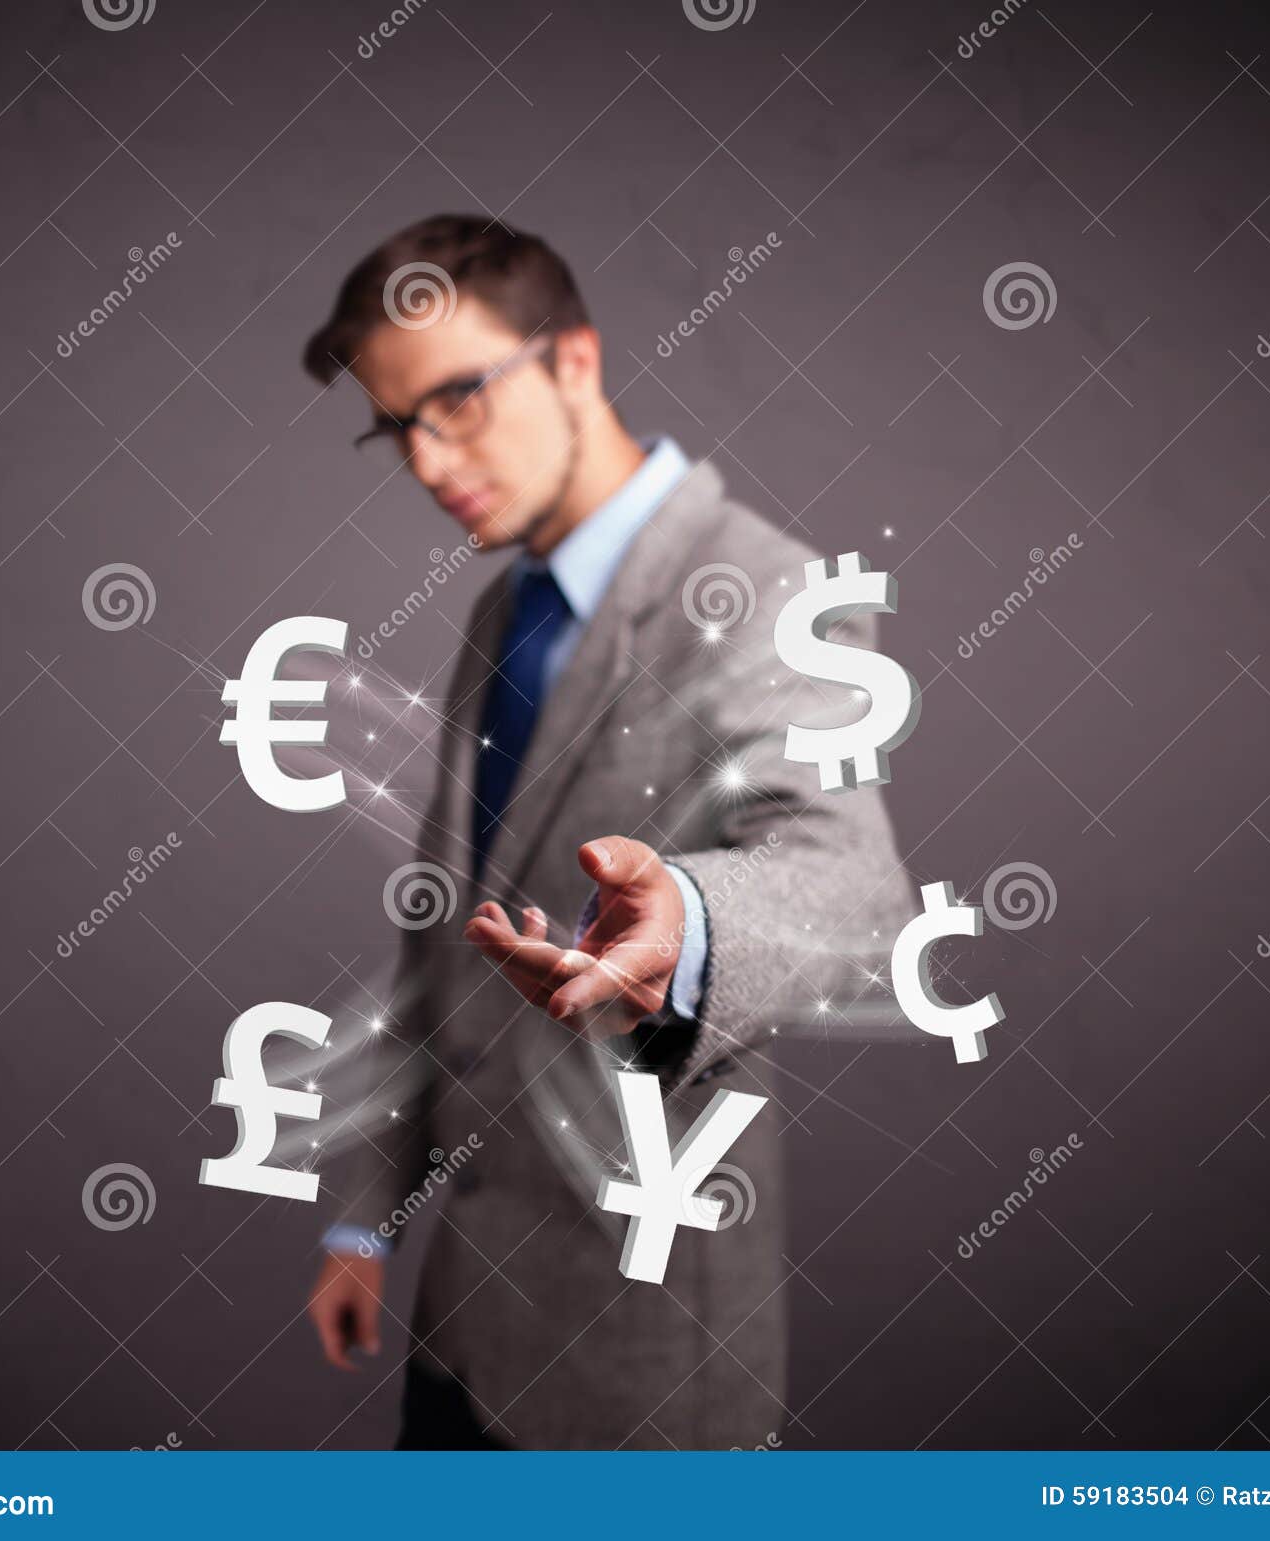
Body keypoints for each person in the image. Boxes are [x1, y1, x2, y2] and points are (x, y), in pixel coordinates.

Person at [300, 213, 918, 1449]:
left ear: (573, 360)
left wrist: (687, 921)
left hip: (634, 1359)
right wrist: (362, 1217)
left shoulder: (761, 587)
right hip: (461, 1318)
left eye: (458, 400)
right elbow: (440, 940)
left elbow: (853, 883)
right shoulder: (499, 614)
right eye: (398, 425)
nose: (428, 459)